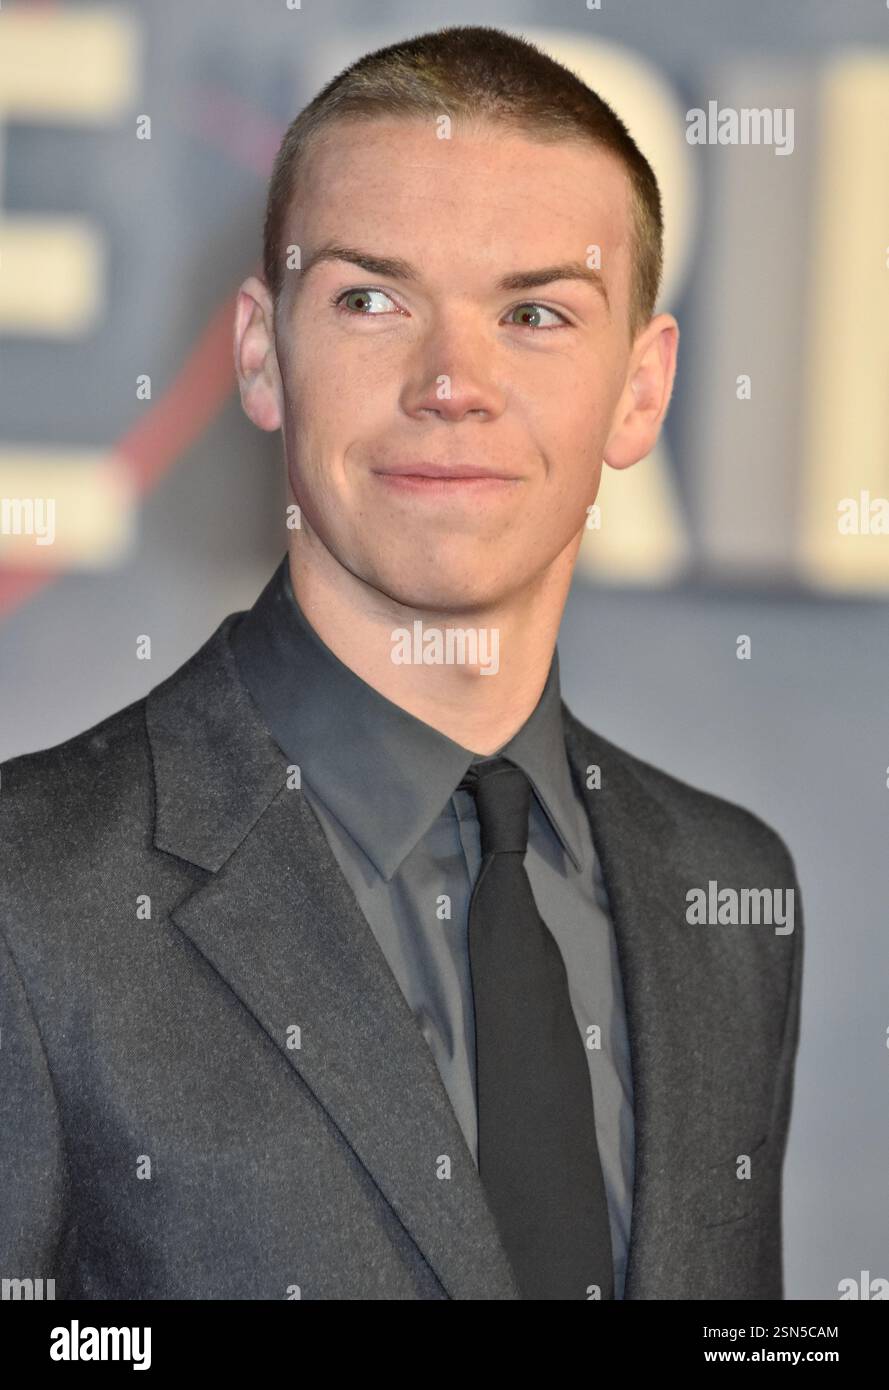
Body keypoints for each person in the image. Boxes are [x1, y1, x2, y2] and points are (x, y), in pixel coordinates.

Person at [0, 25, 802, 1300]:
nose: (452, 383)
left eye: (534, 313)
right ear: (260, 352)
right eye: (373, 299)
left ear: (640, 392)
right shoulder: (29, 895)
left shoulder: (728, 891)